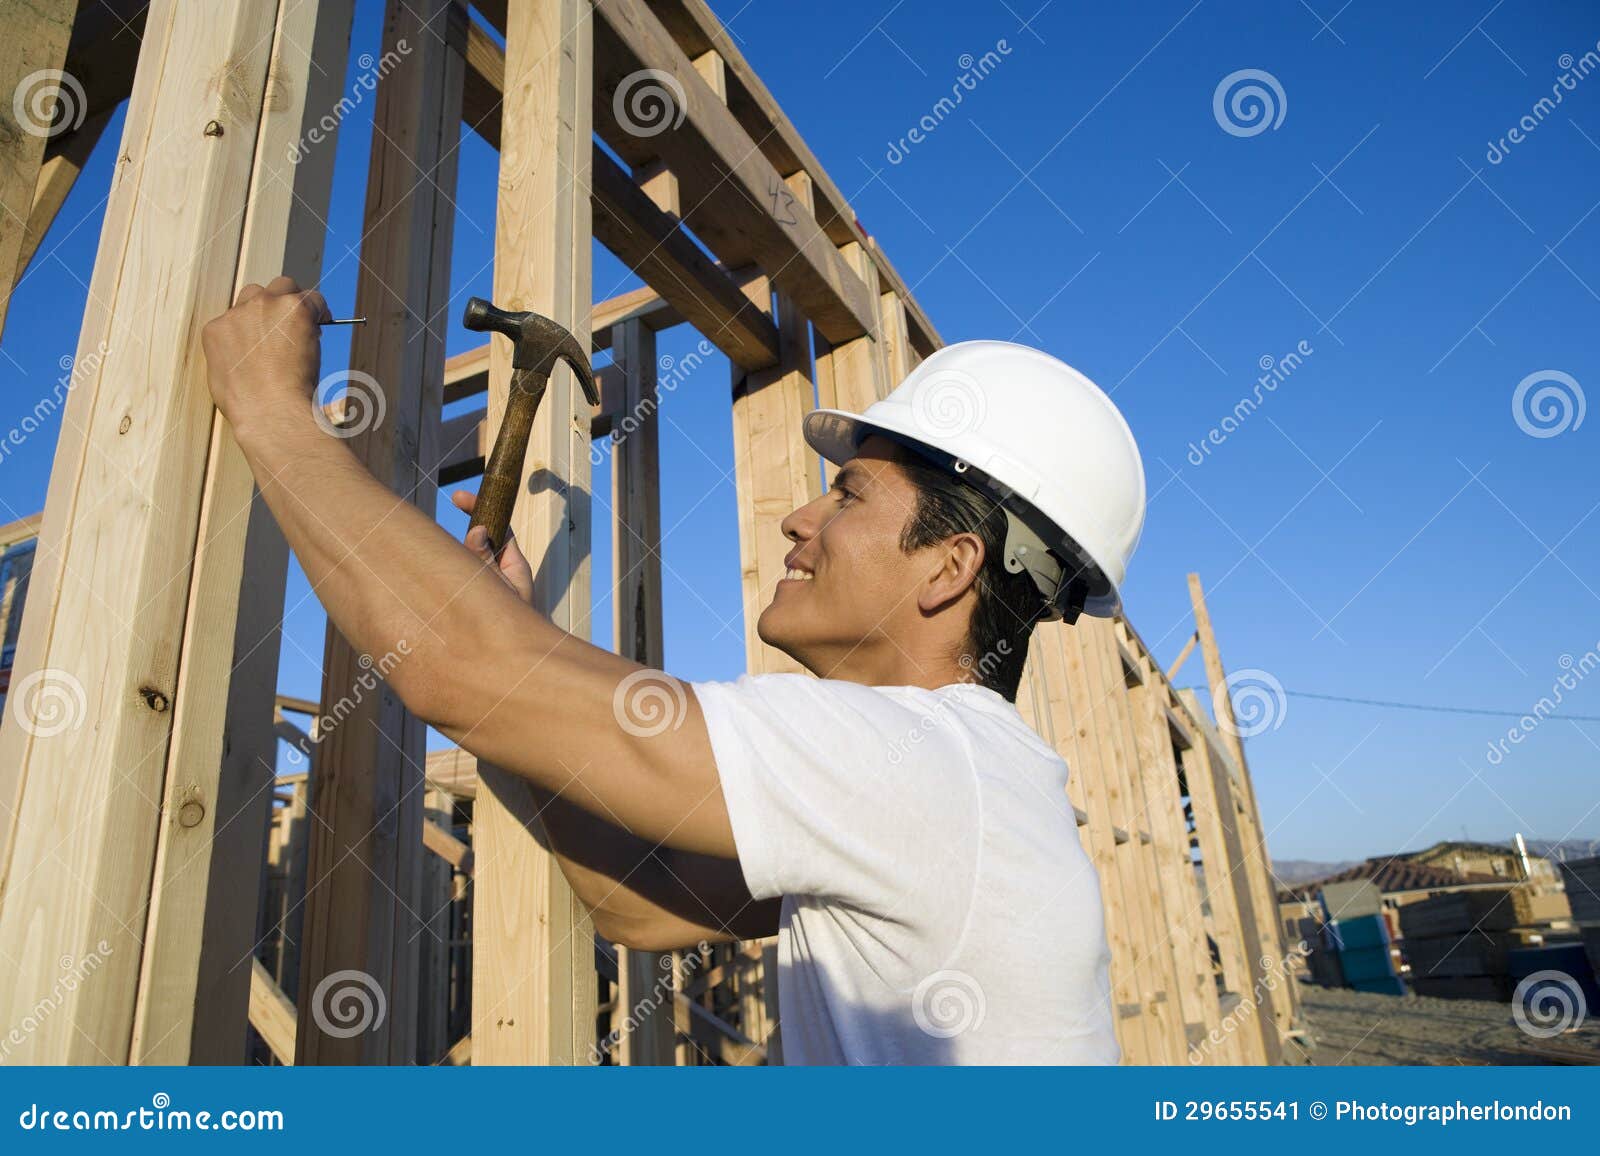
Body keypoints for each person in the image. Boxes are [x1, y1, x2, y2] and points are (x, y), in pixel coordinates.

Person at [202, 276, 1145, 1064]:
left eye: (849, 495)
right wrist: (509, 660)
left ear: (952, 566)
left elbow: (460, 668)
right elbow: (637, 905)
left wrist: (270, 410)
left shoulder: (914, 756)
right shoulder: (968, 779)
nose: (799, 521)